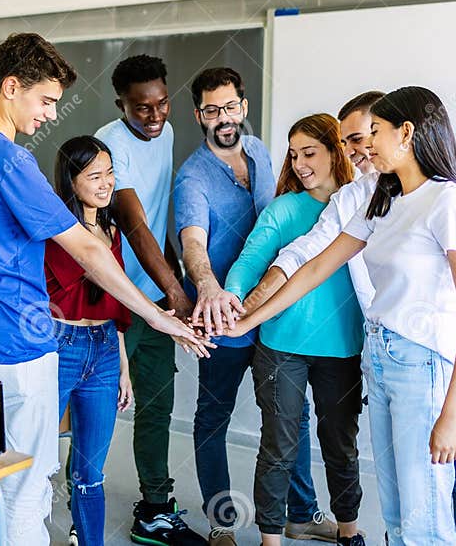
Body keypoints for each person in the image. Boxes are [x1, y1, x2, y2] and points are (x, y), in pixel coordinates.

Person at [0, 33, 209, 546]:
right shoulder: (9, 160)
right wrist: (157, 315)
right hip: (18, 345)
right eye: (45, 101)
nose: (49, 115)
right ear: (11, 87)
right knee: (25, 490)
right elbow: (87, 249)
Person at [263, 91, 456, 546]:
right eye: (351, 141)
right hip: (386, 355)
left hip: (440, 361)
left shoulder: (453, 190)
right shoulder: (375, 195)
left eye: (367, 135)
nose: (359, 149)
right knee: (402, 511)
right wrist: (246, 315)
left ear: (404, 133)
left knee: (454, 498)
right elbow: (312, 258)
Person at [173, 68, 333, 546]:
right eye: (212, 110)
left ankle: (301, 514)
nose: (223, 118)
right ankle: (222, 521)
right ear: (198, 115)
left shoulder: (262, 151)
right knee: (212, 419)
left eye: (230, 106)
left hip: (273, 315)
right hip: (223, 319)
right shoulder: (192, 177)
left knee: (291, 415)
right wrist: (208, 288)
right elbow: (192, 243)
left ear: (243, 106)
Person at [223, 114, 365, 546]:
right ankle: (272, 540)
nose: (300, 164)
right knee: (279, 446)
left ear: (336, 153)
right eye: (294, 155)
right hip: (281, 347)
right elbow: (250, 262)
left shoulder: (364, 205)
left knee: (341, 446)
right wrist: (232, 299)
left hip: (343, 348)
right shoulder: (284, 209)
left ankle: (349, 533)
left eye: (310, 153)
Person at [94, 55, 205, 545]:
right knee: (100, 411)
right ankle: (82, 508)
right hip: (115, 302)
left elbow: (159, 219)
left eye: (162, 103)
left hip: (155, 296)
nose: (156, 115)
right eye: (142, 108)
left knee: (157, 406)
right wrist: (178, 295)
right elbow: (136, 226)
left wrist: (174, 283)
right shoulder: (111, 145)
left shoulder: (167, 132)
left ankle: (155, 510)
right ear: (121, 104)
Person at [46, 135, 136, 546]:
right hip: (60, 345)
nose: (106, 183)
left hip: (104, 350)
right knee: (32, 462)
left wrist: (123, 367)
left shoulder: (111, 229)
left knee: (90, 473)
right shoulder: (57, 229)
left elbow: (115, 303)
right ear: (72, 181)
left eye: (110, 173)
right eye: (94, 176)